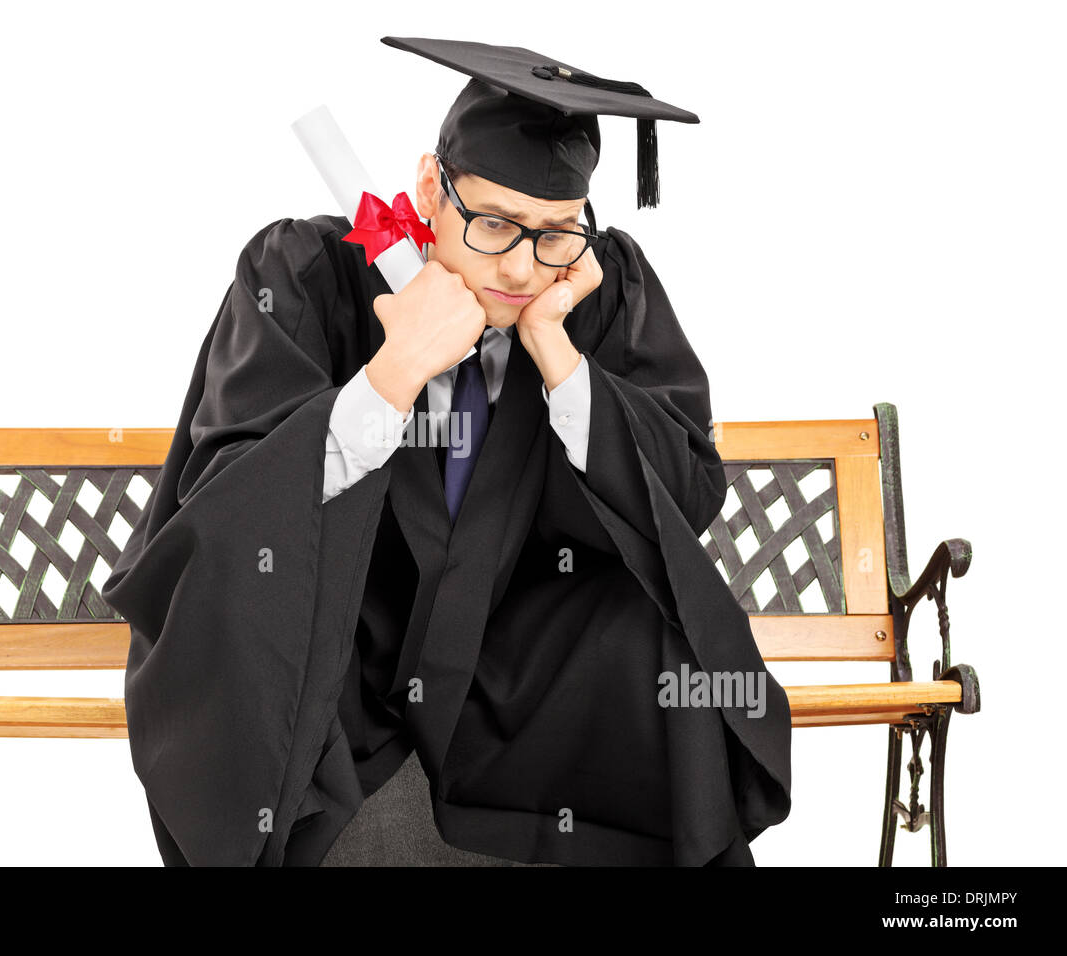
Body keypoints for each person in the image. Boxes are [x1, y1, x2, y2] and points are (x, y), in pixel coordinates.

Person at [102, 36, 792, 867]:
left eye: (555, 233)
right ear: (432, 186)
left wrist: (560, 360)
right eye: (495, 223)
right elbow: (226, 513)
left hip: (511, 687)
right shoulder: (303, 273)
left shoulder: (597, 292)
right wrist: (393, 375)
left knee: (655, 638)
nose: (522, 265)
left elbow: (683, 497)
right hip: (336, 685)